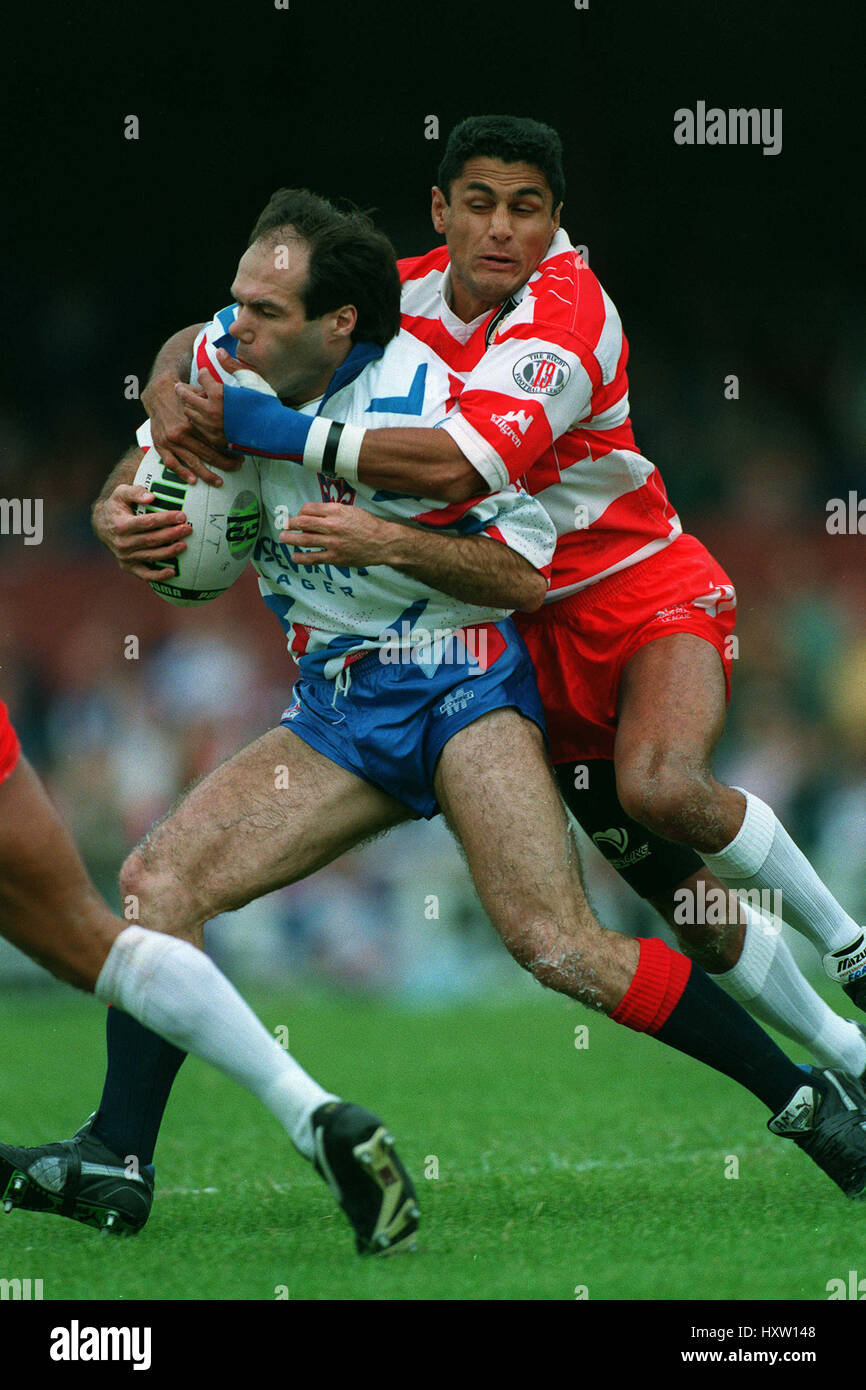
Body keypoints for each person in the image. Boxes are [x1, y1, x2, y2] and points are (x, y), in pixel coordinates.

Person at [8, 187, 866, 1249]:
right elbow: (137, 461)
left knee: (556, 944)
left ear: (338, 328)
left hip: (464, 688)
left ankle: (805, 1097)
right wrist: (114, 509)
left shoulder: (428, 404)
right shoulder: (223, 366)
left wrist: (386, 542)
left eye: (265, 311)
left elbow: (517, 571)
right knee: (157, 880)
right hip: (334, 712)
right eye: (237, 303)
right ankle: (117, 1154)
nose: (236, 326)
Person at [157, 118, 866, 1087]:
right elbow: (223, 329)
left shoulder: (566, 311)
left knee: (659, 785)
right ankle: (847, 1060)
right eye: (479, 204)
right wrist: (166, 387)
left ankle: (848, 946)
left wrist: (287, 433)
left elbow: (464, 467)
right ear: (441, 211)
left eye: (525, 209)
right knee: (672, 889)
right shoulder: (392, 294)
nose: (501, 230)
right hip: (519, 626)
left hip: (639, 588)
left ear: (555, 223)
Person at [0, 697, 419, 1252]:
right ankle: (311, 1114)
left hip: (399, 705)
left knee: (136, 909)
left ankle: (132, 1150)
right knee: (104, 942)